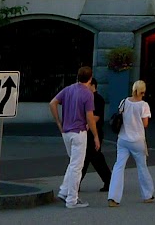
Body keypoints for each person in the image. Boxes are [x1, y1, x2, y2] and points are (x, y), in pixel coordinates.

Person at [49, 66, 99, 210]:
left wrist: (59, 122)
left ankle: (64, 191)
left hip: (66, 131)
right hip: (79, 132)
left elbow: (52, 103)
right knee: (77, 166)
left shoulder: (68, 89)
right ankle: (72, 199)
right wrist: (95, 136)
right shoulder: (88, 94)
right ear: (90, 78)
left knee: (73, 163)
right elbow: (90, 117)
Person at [106, 80, 155, 206]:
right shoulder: (144, 105)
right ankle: (147, 194)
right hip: (137, 140)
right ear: (143, 91)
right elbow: (145, 124)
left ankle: (113, 197)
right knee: (142, 167)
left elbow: (120, 116)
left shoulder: (124, 102)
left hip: (123, 139)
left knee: (118, 166)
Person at [83, 77, 112, 192]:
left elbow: (96, 117)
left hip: (95, 132)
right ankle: (75, 183)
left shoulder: (98, 99)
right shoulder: (87, 98)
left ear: (92, 85)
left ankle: (109, 181)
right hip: (88, 133)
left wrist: (86, 122)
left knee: (94, 158)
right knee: (87, 158)